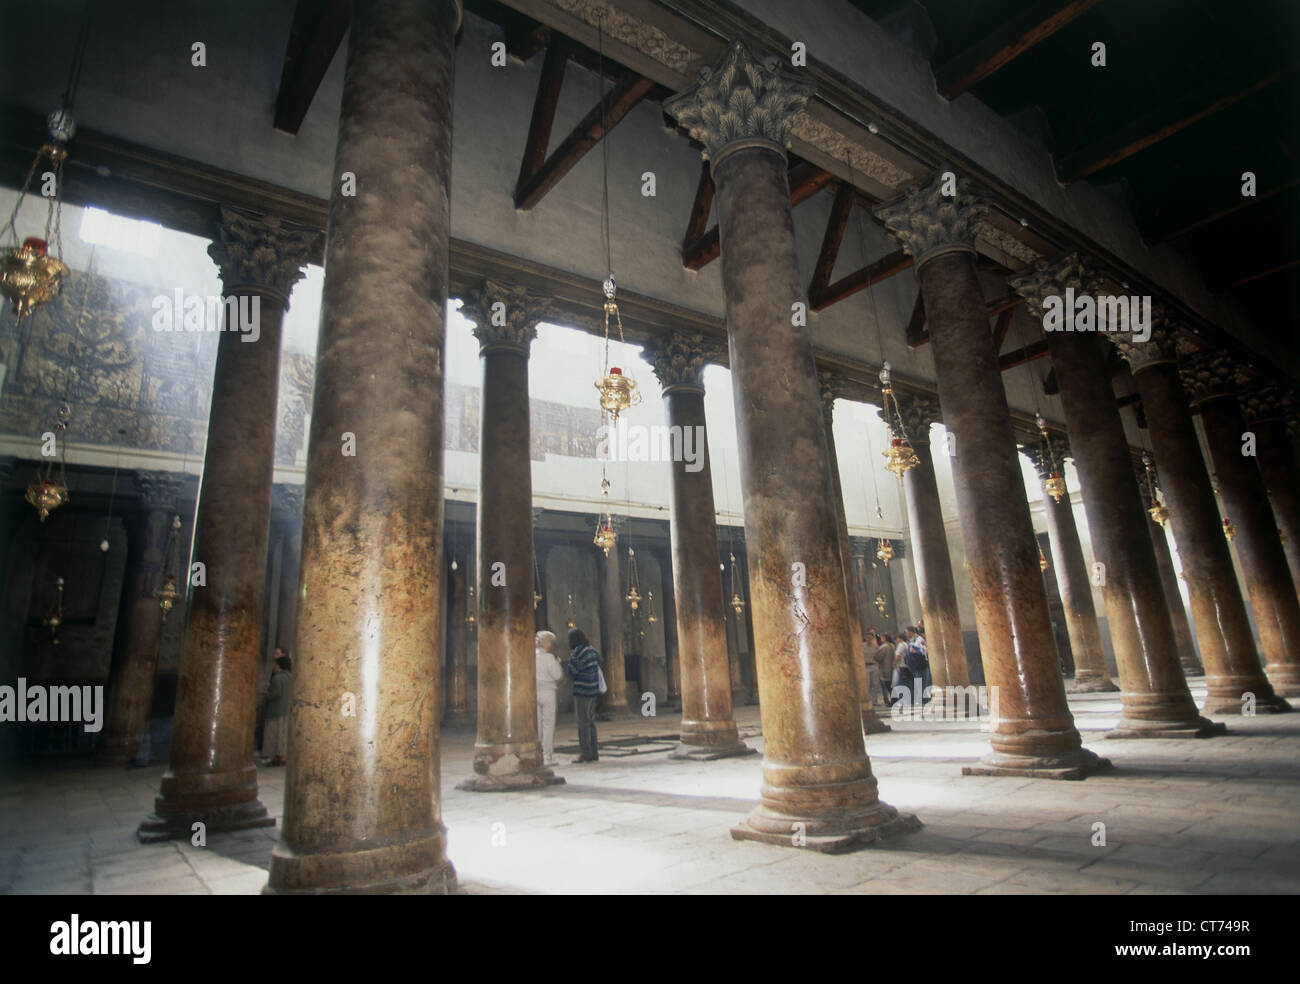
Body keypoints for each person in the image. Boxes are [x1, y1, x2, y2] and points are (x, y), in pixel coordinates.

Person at [563, 627, 602, 763]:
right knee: (591, 722)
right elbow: (600, 660)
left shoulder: (577, 653)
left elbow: (571, 672)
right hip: (593, 690)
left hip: (582, 691)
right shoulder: (591, 650)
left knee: (583, 723)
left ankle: (586, 753)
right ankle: (594, 752)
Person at [535, 630, 565, 767]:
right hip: (548, 691)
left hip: (534, 691)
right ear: (548, 644)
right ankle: (547, 756)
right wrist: (557, 663)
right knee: (548, 724)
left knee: (537, 724)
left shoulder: (530, 656)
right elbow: (558, 675)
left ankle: (536, 754)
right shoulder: (549, 658)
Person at [262, 653, 292, 766]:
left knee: (274, 734)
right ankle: (282, 756)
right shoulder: (291, 677)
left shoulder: (278, 678)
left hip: (277, 710)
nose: (274, 667)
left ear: (279, 666)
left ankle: (278, 756)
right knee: (283, 735)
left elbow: (276, 693)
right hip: (287, 710)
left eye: (275, 665)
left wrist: (267, 694)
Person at [873, 632, 896, 703]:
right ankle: (894, 700)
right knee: (892, 686)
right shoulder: (892, 645)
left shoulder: (884, 647)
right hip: (892, 667)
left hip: (885, 668)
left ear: (885, 639)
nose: (881, 639)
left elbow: (877, 657)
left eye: (882, 638)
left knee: (888, 685)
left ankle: (893, 700)